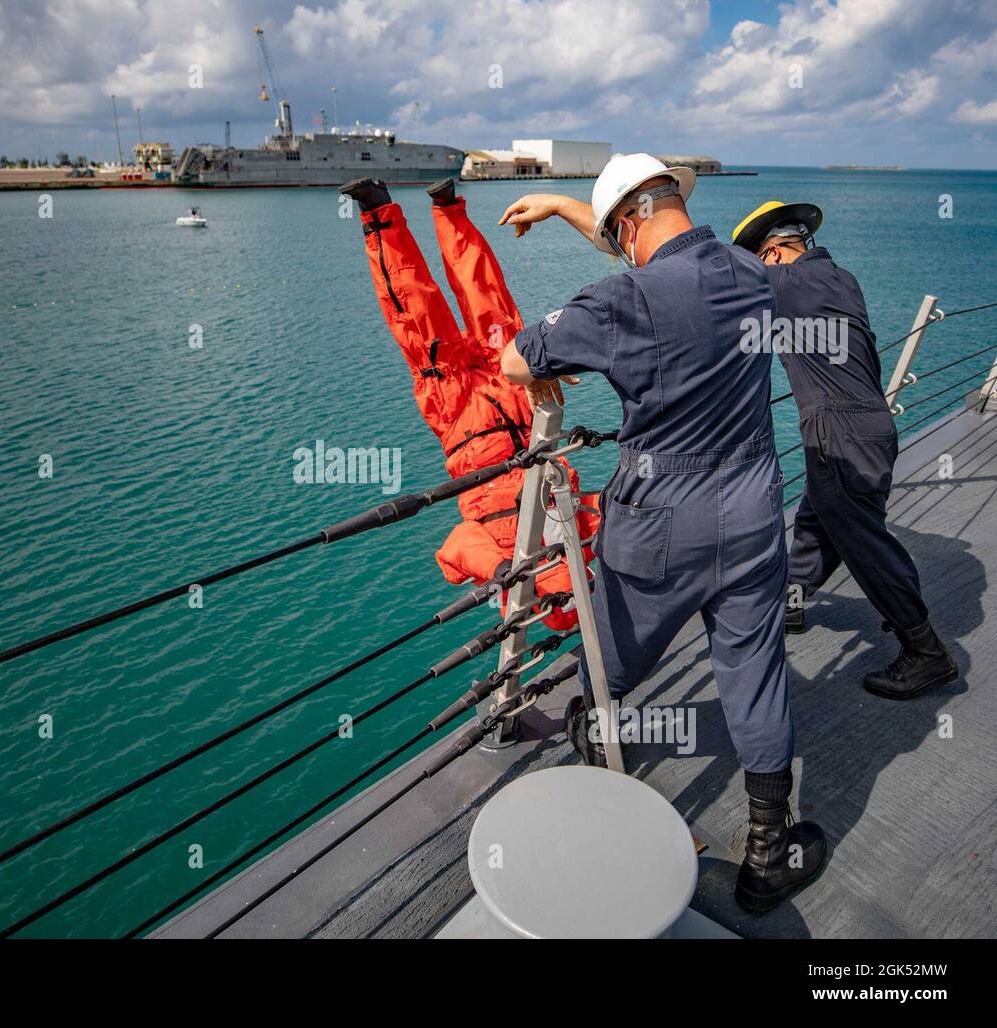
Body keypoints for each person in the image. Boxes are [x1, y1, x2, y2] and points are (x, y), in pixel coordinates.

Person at [498, 154, 826, 913]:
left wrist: (571, 235)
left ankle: (594, 744)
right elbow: (663, 253)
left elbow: (518, 358)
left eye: (619, 235)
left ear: (632, 222)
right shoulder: (753, 274)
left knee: (611, 658)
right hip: (749, 511)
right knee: (755, 674)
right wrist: (567, 206)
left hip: (657, 522)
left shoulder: (624, 299)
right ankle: (768, 855)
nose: (620, 249)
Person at [339, 175, 600, 632]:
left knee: (416, 312)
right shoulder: (584, 541)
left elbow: (455, 549)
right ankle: (446, 207)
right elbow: (611, 507)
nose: (564, 588)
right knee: (484, 293)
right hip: (518, 402)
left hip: (461, 414)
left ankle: (378, 213)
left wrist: (503, 572)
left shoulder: (511, 563)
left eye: (559, 598)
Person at [732, 201, 958, 700]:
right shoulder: (839, 277)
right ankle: (790, 600)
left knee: (863, 541)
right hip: (869, 423)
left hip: (840, 430)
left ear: (769, 254)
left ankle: (926, 652)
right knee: (819, 520)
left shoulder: (782, 285)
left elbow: (702, 284)